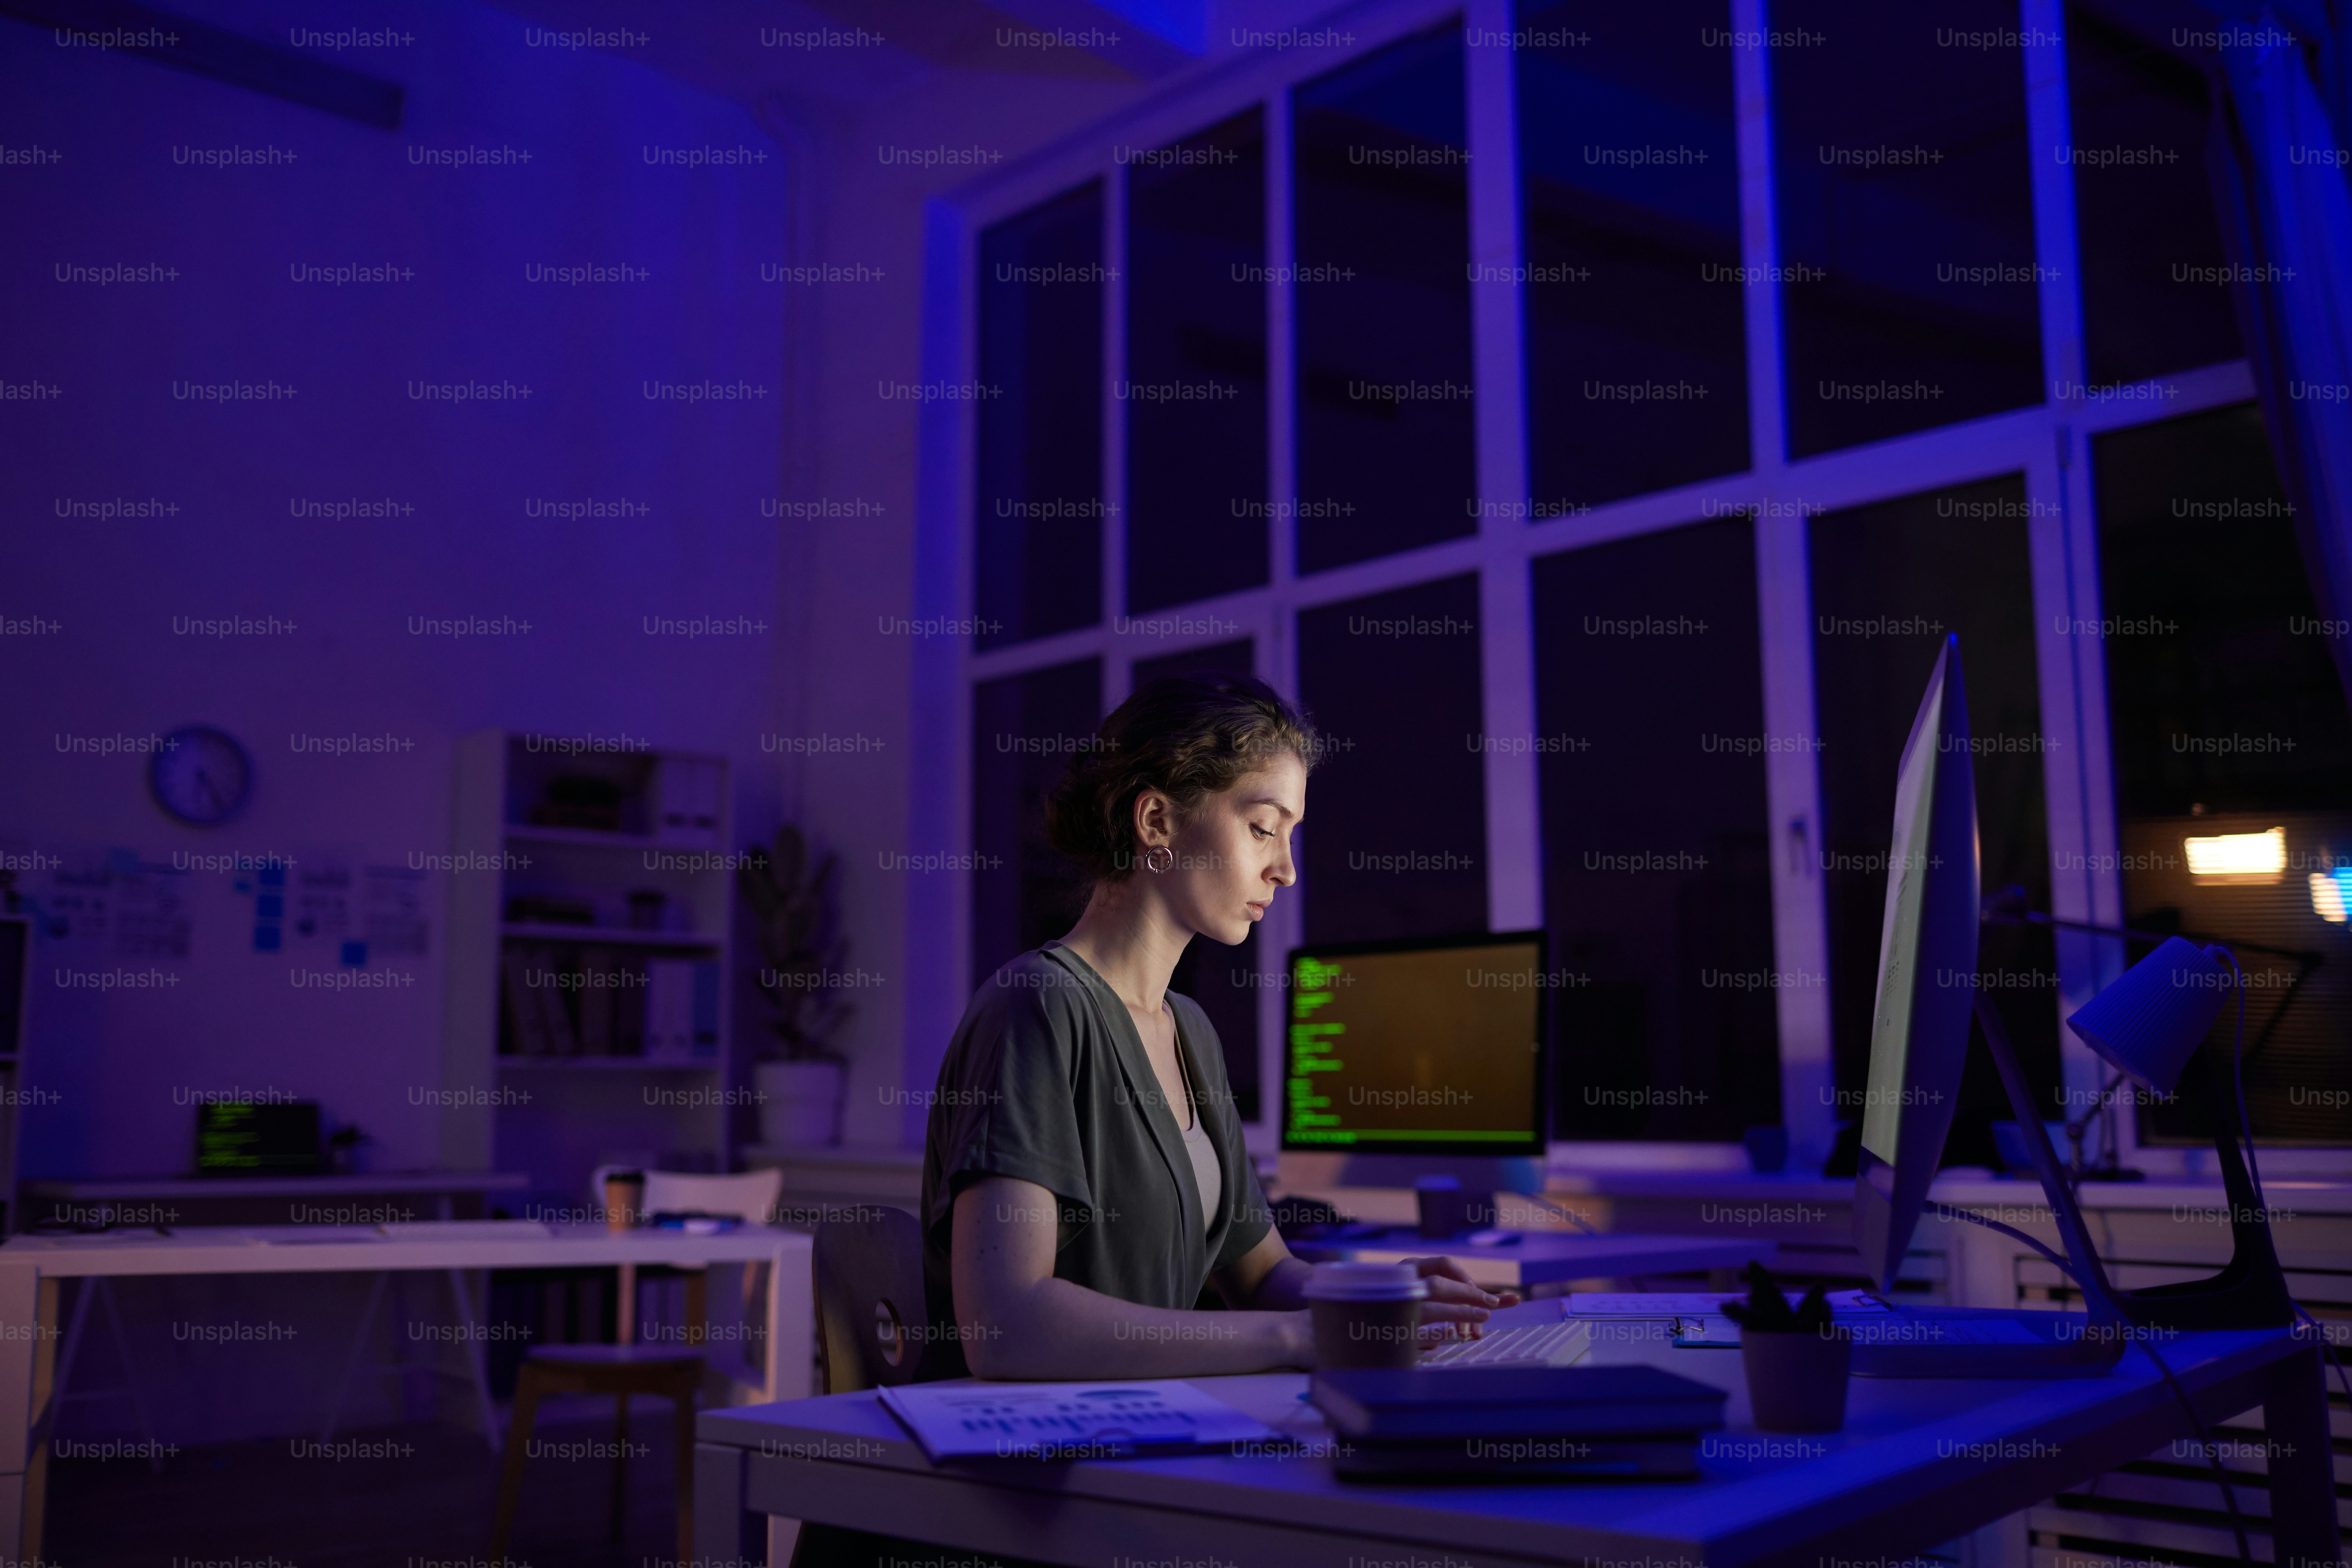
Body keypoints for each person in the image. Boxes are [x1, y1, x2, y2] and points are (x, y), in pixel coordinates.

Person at [919, 672, 1512, 1379]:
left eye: (1290, 835)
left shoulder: (1189, 1031)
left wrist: (1378, 1292)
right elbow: (1008, 1329)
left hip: (1154, 1431)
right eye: (1263, 827)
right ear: (1157, 823)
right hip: (1038, 1457)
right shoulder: (1039, 1005)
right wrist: (1297, 1341)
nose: (1286, 869)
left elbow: (1262, 1276)